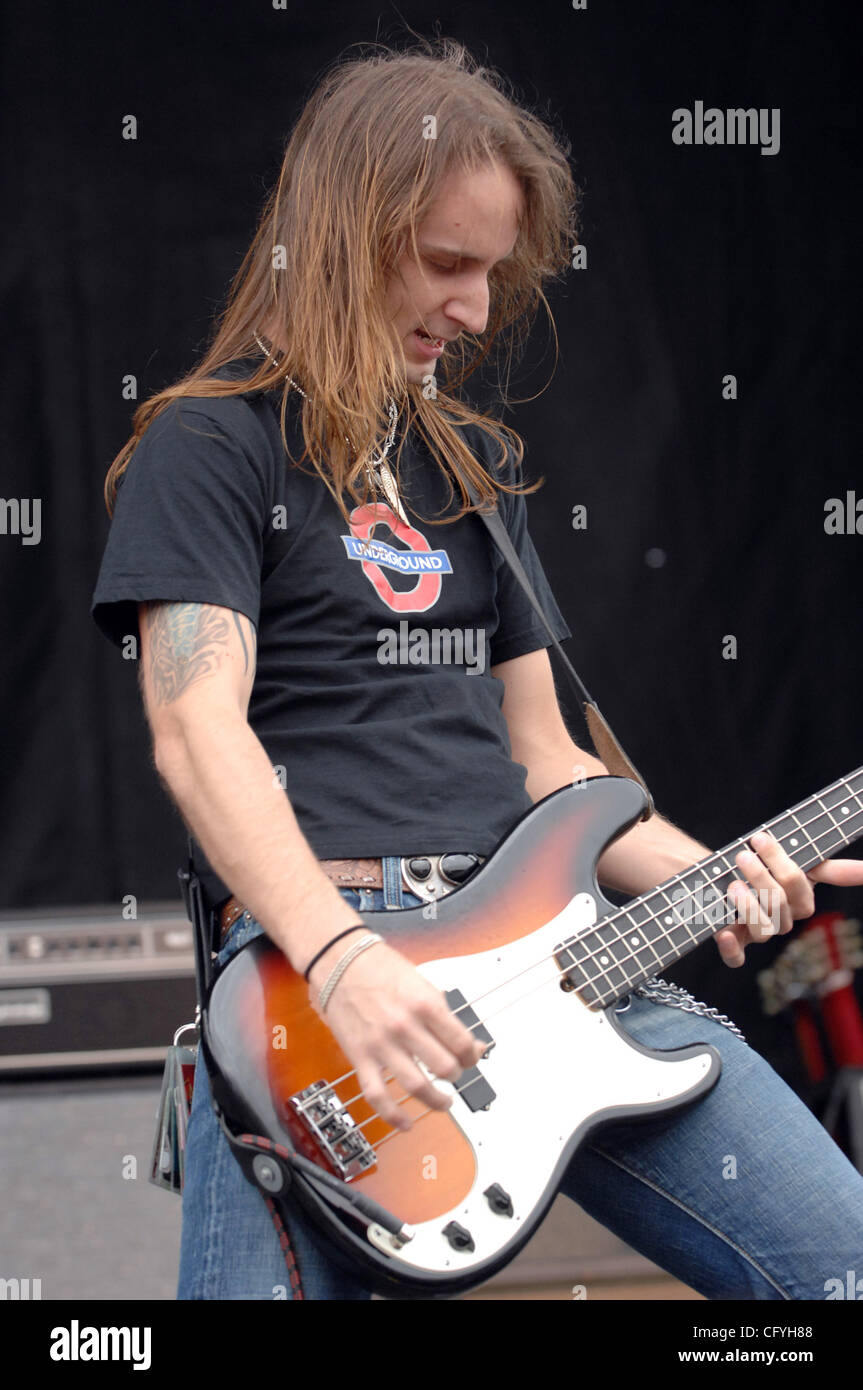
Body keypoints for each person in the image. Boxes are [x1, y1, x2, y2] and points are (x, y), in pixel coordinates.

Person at [92, 39, 863, 1301]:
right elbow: (196, 731)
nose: (474, 309)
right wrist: (341, 957)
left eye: (492, 273)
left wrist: (712, 874)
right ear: (344, 235)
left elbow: (547, 759)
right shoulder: (210, 445)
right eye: (447, 265)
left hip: (559, 965)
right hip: (320, 990)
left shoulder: (471, 472)